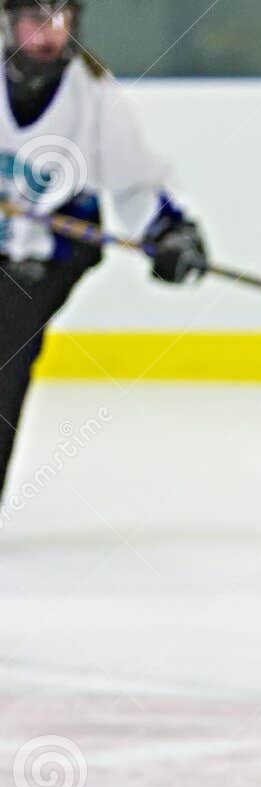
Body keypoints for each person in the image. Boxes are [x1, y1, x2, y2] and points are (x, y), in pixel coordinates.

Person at [0, 0, 207, 502]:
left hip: (47, 264)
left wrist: (170, 231)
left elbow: (134, 179)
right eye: (35, 19)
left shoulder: (92, 93)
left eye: (60, 18)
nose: (49, 33)